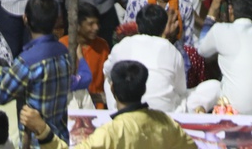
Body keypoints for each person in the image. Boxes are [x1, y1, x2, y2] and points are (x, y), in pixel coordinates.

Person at [25, 57, 198, 149]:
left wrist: (42, 130)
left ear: (112, 89)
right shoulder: (165, 123)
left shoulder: (112, 132)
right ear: (144, 89)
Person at [0, 0, 70, 141]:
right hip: (61, 138)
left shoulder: (27, 61)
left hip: (36, 141)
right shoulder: (64, 52)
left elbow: (0, 95)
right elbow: (19, 77)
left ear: (25, 19)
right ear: (55, 21)